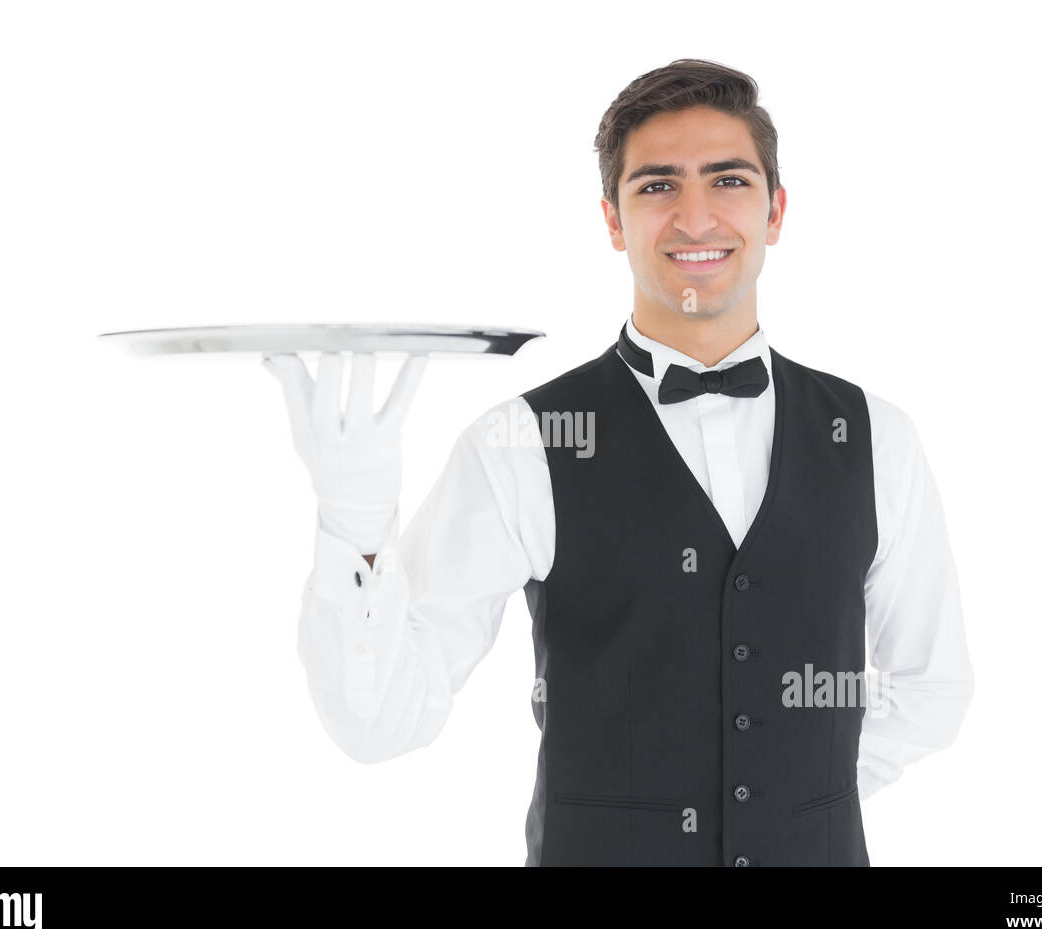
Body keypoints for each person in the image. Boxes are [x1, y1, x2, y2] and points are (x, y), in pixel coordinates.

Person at [262, 58, 974, 867]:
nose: (696, 218)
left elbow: (933, 686)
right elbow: (382, 724)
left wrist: (798, 794)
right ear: (613, 219)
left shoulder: (876, 437)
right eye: (658, 186)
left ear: (775, 210)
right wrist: (356, 529)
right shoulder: (524, 442)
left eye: (729, 181)